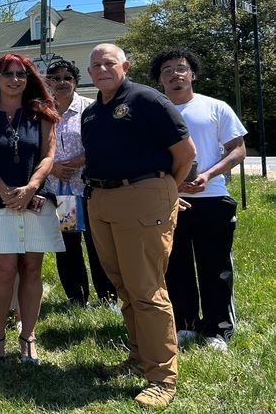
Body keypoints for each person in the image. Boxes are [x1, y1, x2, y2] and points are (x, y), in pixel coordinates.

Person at [83, 43, 195, 408]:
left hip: (143, 197)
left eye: (109, 63)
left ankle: (162, 377)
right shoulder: (92, 112)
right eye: (96, 64)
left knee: (147, 289)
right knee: (124, 287)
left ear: (125, 66)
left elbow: (186, 153)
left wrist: (164, 191)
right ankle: (138, 357)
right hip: (101, 201)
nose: (102, 69)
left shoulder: (146, 100)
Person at [0, 53, 64, 364]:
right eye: (7, 74)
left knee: (32, 269)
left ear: (28, 78)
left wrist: (31, 187)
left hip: (35, 200)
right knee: (4, 270)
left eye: (20, 74)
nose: (14, 79)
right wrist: (5, 192)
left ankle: (27, 336)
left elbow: (48, 156)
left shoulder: (42, 112)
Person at [153, 48, 246, 352]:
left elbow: (237, 149)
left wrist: (207, 174)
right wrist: (171, 182)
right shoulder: (154, 112)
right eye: (167, 70)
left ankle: (218, 328)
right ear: (160, 79)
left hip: (213, 198)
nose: (175, 74)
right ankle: (186, 324)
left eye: (181, 68)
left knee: (215, 265)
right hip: (170, 200)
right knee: (175, 265)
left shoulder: (215, 107)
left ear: (192, 74)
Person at [44, 60, 116, 308]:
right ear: (48, 82)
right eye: (55, 78)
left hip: (88, 188)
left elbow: (102, 144)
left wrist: (76, 162)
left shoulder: (91, 109)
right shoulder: (43, 112)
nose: (61, 82)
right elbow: (36, 147)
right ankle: (76, 297)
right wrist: (52, 167)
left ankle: (108, 297)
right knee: (69, 244)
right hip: (62, 194)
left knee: (98, 244)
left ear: (76, 81)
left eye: (67, 78)